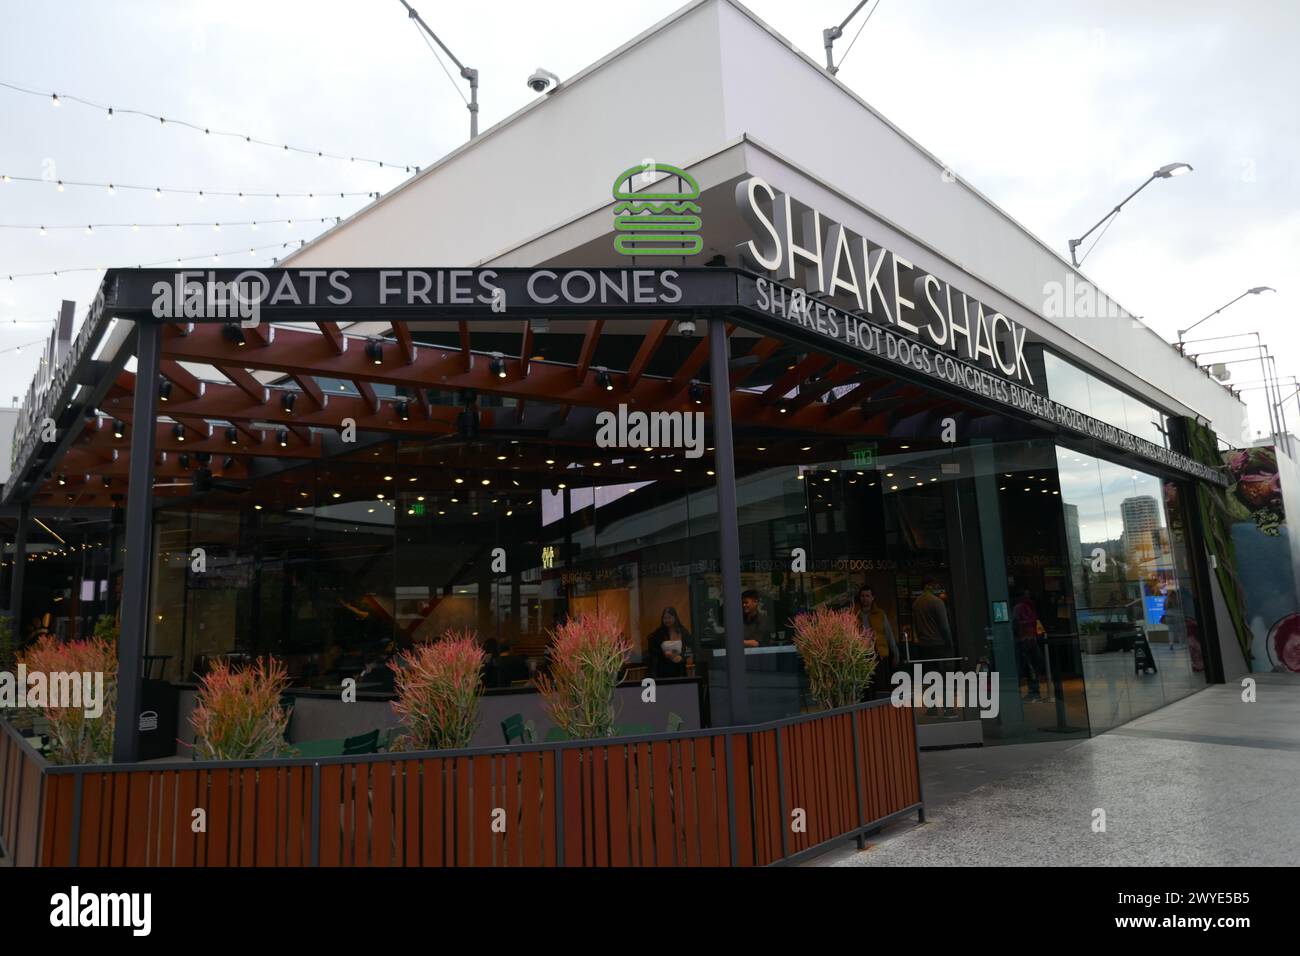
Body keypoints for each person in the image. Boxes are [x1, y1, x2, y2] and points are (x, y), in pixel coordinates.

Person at [856, 586, 899, 696]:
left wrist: (895, 653)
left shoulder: (880, 614)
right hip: (862, 654)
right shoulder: (855, 614)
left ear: (872, 598)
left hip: (878, 652)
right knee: (864, 685)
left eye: (867, 596)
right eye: (862, 596)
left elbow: (888, 634)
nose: (865, 598)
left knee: (879, 684)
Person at [1012, 588, 1044, 701]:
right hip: (1031, 639)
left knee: (1025, 667)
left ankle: (1031, 691)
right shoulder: (1030, 607)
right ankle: (1034, 690)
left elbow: (1015, 624)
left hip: (1024, 640)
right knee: (1032, 666)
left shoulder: (1019, 607)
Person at [645, 607, 693, 679]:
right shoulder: (659, 633)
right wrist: (664, 654)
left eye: (669, 617)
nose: (667, 620)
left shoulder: (683, 631)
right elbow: (652, 650)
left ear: (675, 618)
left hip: (679, 668)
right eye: (665, 618)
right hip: (663, 669)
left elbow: (691, 647)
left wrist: (682, 657)